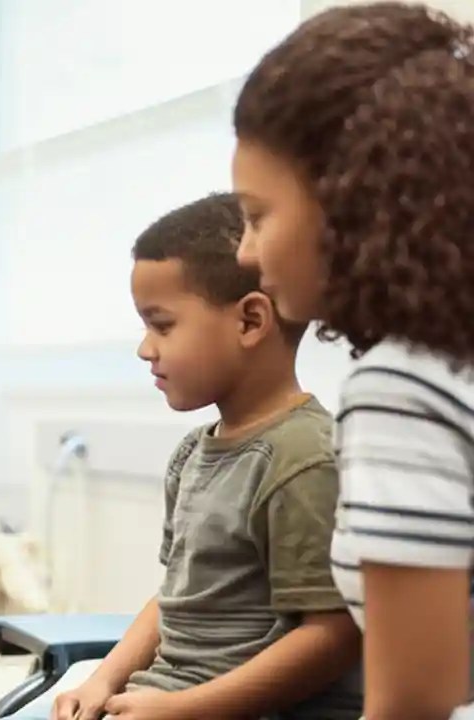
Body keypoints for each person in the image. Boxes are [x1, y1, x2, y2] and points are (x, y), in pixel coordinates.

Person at [232, 3, 474, 718]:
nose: (245, 252)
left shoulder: (404, 387)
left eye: (258, 215)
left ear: (352, 201)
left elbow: (413, 706)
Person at [39, 193, 364, 720]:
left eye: (162, 325)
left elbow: (333, 637)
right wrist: (103, 679)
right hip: (170, 696)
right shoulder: (194, 453)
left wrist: (184, 709)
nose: (145, 348)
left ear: (249, 322)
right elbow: (174, 599)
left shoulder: (302, 457)